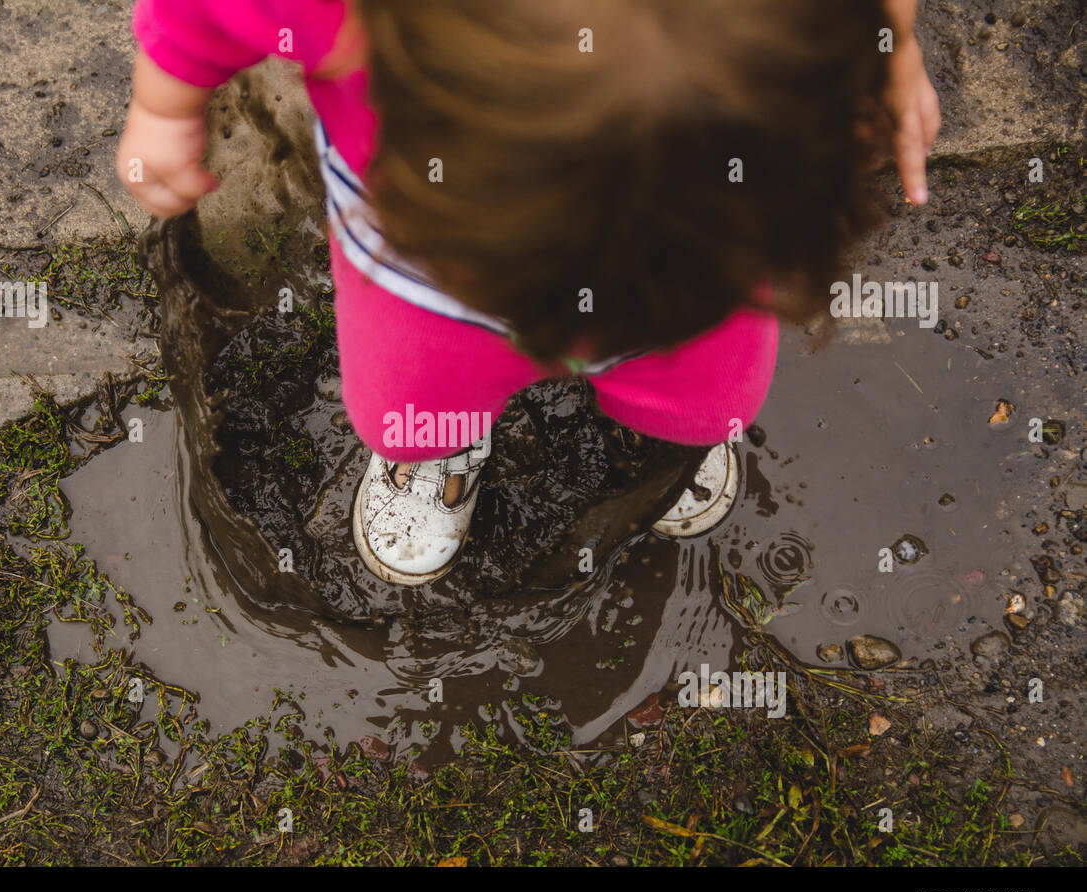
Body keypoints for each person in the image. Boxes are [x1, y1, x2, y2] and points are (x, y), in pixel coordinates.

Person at [118, 0, 940, 585]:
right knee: (410, 405)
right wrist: (165, 99)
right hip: (433, 287)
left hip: (700, 277)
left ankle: (665, 439)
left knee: (703, 400)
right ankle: (438, 452)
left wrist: (890, 42)